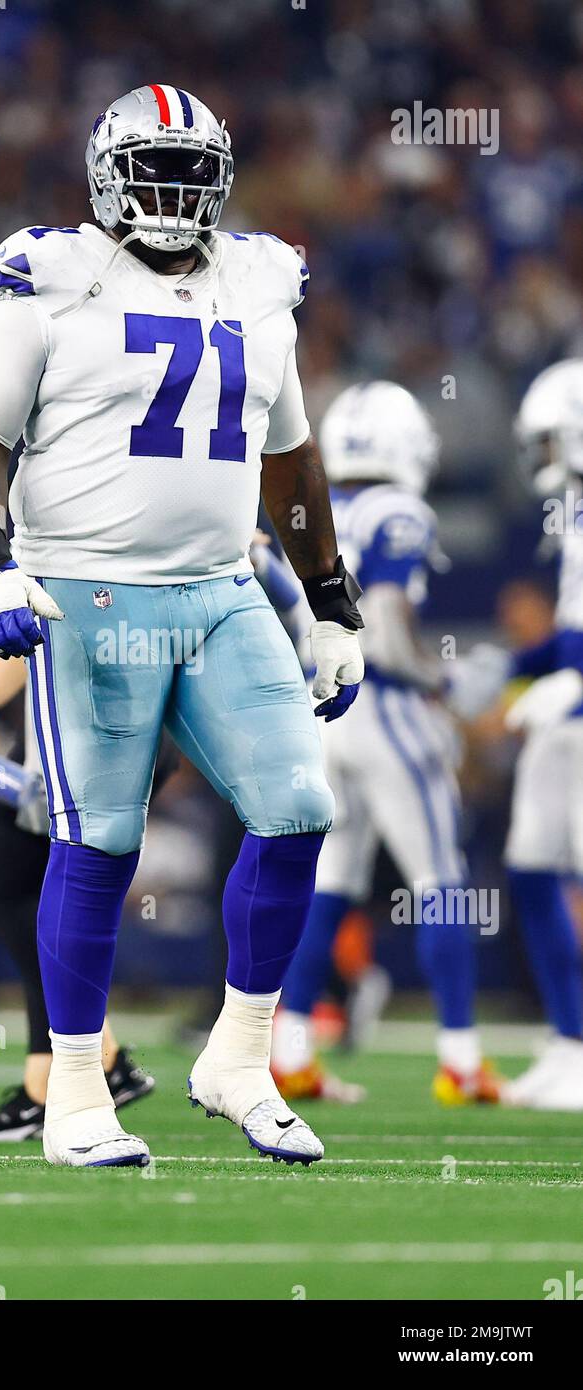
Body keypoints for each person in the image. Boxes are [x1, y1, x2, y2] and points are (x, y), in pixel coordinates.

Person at [0, 85, 364, 1168]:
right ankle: (77, 1094)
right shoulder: (49, 274)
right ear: (103, 175)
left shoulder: (260, 281)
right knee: (100, 840)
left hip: (222, 589)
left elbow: (291, 459)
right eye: (152, 170)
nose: (173, 194)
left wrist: (329, 601)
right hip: (86, 589)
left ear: (221, 181)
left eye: (192, 173)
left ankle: (238, 1056)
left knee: (297, 806)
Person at [272, 382, 500, 1105]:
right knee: (441, 882)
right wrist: (437, 680)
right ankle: (461, 1060)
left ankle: (290, 1050)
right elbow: (392, 615)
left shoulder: (327, 508)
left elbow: (288, 591)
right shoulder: (400, 509)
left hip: (323, 708)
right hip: (385, 706)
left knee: (332, 882)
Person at [0, 654, 156, 1139]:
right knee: (18, 893)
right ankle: (57, 1076)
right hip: (69, 728)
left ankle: (92, 1066)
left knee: (24, 892)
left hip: (99, 727)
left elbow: (34, 620)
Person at [499, 360, 583, 1111]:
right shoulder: (575, 513)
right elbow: (570, 633)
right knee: (531, 865)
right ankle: (570, 1040)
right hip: (568, 721)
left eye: (552, 440)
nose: (542, 456)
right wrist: (509, 668)